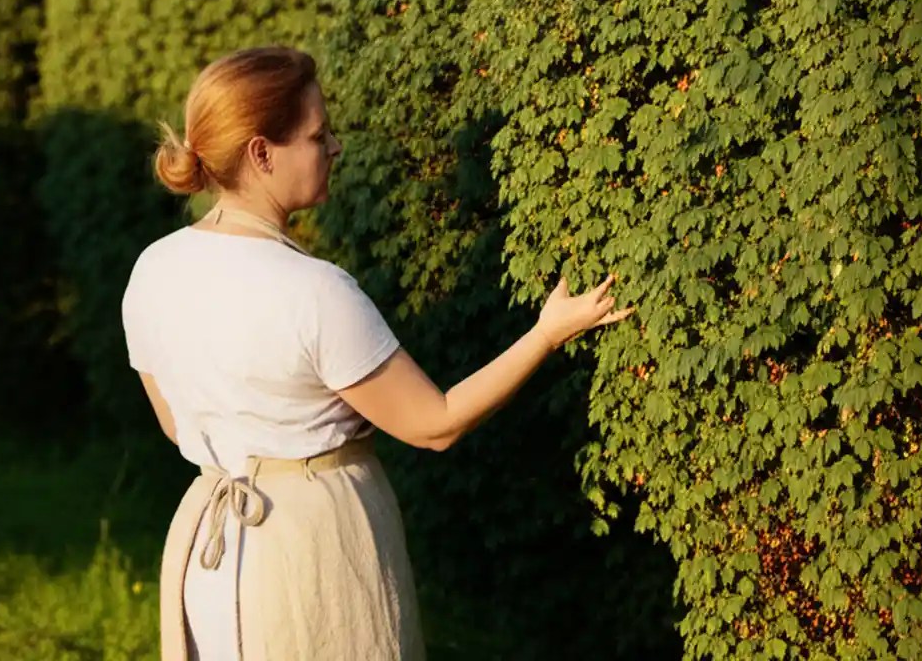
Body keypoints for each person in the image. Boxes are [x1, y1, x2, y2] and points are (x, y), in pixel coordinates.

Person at [120, 46, 635, 661]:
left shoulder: (154, 269)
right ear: (262, 153)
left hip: (211, 559)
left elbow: (177, 425)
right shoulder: (312, 290)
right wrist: (548, 333)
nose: (335, 146)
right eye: (318, 135)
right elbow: (434, 424)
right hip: (312, 557)